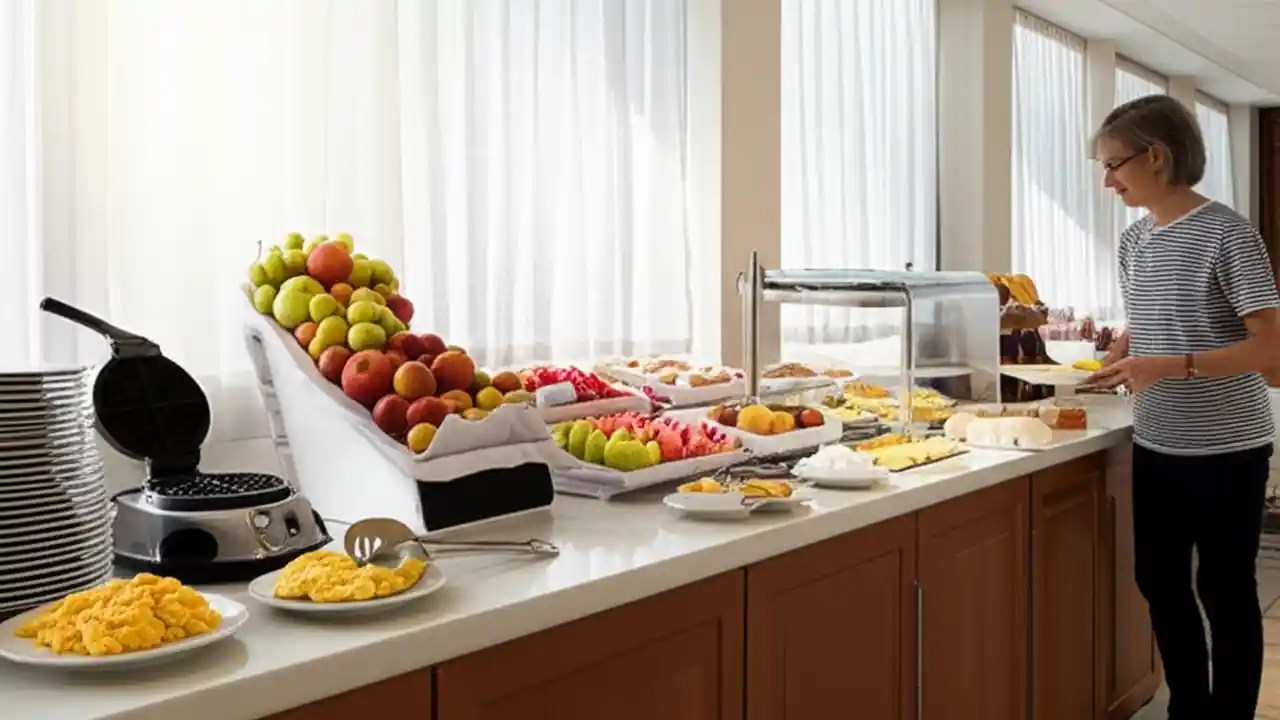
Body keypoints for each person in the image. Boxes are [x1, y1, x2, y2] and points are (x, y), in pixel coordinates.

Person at [1088, 94, 1280, 719]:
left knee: (1224, 591)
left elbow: (1271, 346)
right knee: (1159, 582)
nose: (1107, 180)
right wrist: (1129, 341)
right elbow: (1161, 320)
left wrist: (1172, 365)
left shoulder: (1228, 232)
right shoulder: (1134, 241)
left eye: (1114, 165)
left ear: (1156, 157)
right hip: (1158, 443)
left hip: (1228, 449)